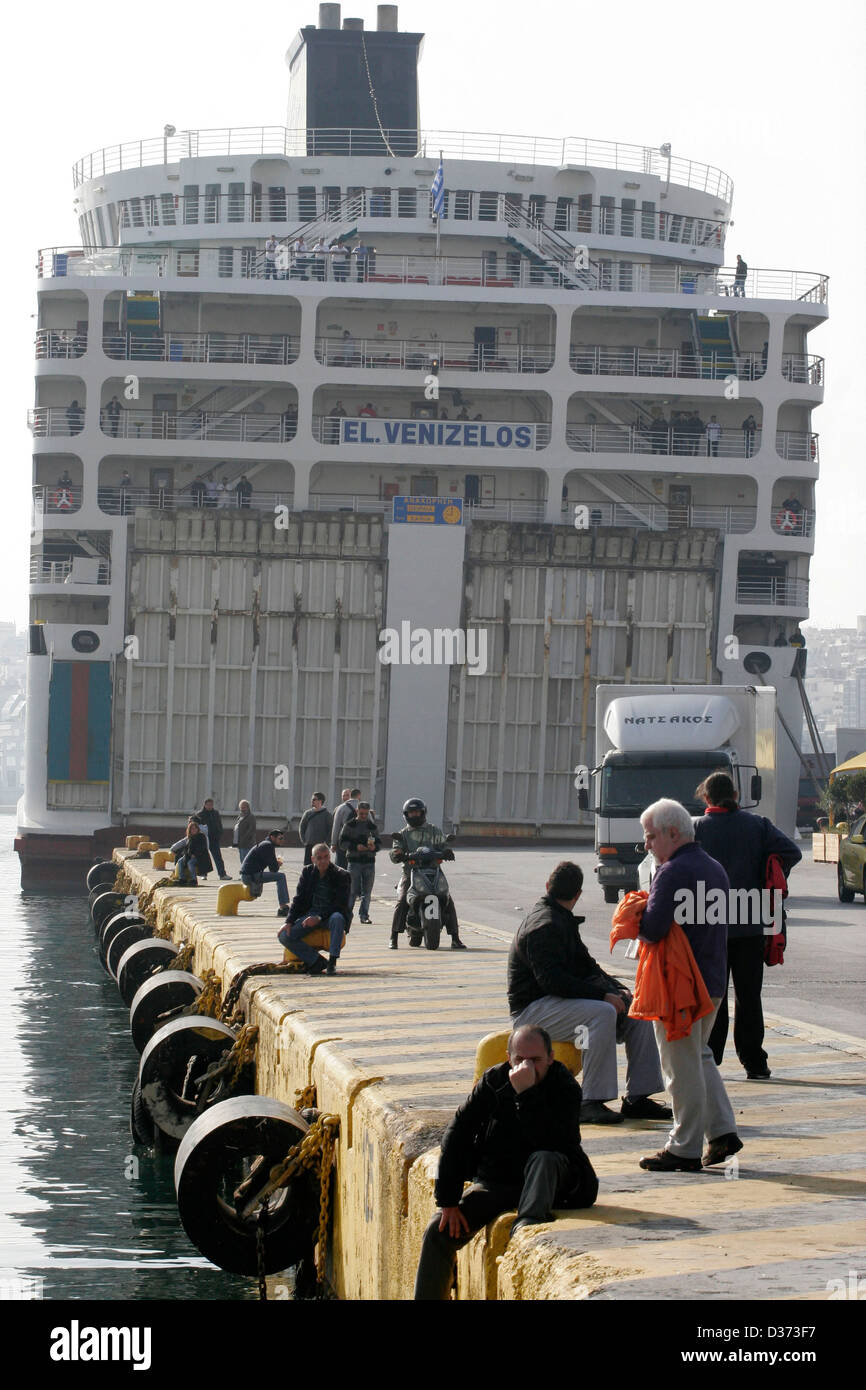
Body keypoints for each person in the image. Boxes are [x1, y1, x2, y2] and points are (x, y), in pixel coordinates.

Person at [413, 1025, 598, 1300]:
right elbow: (456, 1135)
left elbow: (554, 1141)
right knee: (437, 1230)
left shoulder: (564, 1086)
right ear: (508, 1058)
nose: (527, 1067)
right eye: (519, 1060)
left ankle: (528, 1222)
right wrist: (448, 1201)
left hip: (556, 1182)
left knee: (543, 1158)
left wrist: (525, 1094)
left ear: (550, 1057)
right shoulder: (494, 1081)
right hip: (500, 1181)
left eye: (535, 1060)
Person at [508, 861, 669, 1124]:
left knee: (636, 1010)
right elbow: (552, 981)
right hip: (531, 1010)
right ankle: (590, 1100)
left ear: (548, 886)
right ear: (579, 894)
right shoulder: (544, 925)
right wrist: (603, 996)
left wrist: (618, 989)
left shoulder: (559, 919)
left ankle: (639, 1097)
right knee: (602, 1013)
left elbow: (586, 965)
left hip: (556, 1002)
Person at [636, 799, 740, 1171]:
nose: (647, 845)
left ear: (672, 833)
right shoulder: (715, 869)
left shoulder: (671, 872)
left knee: (679, 1066)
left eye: (650, 837)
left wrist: (635, 910)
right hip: (711, 981)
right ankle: (723, 1131)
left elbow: (652, 928)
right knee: (699, 1057)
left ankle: (683, 1147)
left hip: (677, 986)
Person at [693, 771, 801, 1080]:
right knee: (749, 996)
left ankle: (708, 1060)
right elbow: (792, 852)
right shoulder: (758, 826)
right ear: (736, 795)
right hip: (751, 922)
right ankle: (755, 1062)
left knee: (715, 995)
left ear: (706, 798)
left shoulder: (695, 829)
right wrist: (768, 872)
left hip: (709, 925)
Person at [389, 798, 466, 950]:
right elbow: (395, 849)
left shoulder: (434, 830)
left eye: (417, 812)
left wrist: (447, 851)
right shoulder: (402, 834)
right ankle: (394, 936)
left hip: (434, 871)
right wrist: (397, 854)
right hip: (411, 872)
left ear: (423, 813)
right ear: (406, 814)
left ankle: (455, 938)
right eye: (411, 813)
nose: (414, 815)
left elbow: (443, 843)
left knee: (448, 899)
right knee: (403, 899)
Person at [278, 843, 351, 976]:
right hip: (311, 914)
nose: (323, 861)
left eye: (326, 857)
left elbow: (340, 905)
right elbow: (298, 899)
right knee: (284, 936)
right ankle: (317, 961)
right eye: (319, 858)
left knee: (338, 918)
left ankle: (332, 962)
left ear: (330, 857)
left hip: (330, 915)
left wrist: (318, 918)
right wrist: (289, 921)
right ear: (313, 859)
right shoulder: (307, 872)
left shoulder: (341, 875)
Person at [340, 801, 381, 924]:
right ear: (357, 811)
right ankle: (347, 915)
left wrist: (375, 847)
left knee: (367, 892)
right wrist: (355, 847)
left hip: (369, 861)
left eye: (366, 814)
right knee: (352, 891)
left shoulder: (372, 827)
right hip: (354, 861)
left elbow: (379, 843)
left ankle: (364, 915)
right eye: (361, 813)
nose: (363, 816)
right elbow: (342, 843)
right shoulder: (349, 825)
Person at [240, 828, 290, 917]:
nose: (282, 841)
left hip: (248, 875)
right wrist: (277, 864)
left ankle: (283, 907)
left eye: (283, 838)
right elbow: (274, 869)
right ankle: (283, 907)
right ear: (272, 837)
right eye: (280, 838)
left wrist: (275, 863)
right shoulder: (268, 846)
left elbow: (272, 868)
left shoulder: (265, 844)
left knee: (280, 876)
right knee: (281, 876)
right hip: (250, 876)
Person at [171, 817, 213, 885]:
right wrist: (186, 855)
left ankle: (194, 880)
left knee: (190, 863)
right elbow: (187, 848)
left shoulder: (201, 836)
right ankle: (182, 878)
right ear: (189, 830)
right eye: (192, 829)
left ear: (197, 829)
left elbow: (202, 848)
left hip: (200, 856)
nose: (193, 830)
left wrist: (194, 855)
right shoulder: (189, 838)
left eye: (195, 828)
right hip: (190, 855)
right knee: (180, 861)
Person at [197, 798, 230, 879]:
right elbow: (196, 826)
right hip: (204, 839)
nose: (210, 806)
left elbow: (219, 824)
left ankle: (222, 874)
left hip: (214, 839)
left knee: (218, 857)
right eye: (208, 805)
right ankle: (203, 874)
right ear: (204, 805)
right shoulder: (199, 814)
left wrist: (219, 833)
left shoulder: (215, 813)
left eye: (211, 805)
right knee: (203, 857)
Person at [299, 792, 332, 866]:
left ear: (320, 801)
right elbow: (301, 827)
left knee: (321, 865)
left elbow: (331, 829)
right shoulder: (307, 813)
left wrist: (326, 842)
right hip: (309, 845)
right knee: (308, 866)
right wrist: (304, 841)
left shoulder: (327, 815)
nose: (312, 801)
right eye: (312, 799)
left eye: (314, 799)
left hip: (321, 846)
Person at [330, 788, 359, 868]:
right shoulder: (363, 806)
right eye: (343, 795)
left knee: (340, 866)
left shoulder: (340, 808)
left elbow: (336, 827)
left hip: (343, 841)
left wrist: (333, 843)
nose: (345, 797)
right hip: (358, 841)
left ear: (351, 796)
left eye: (347, 795)